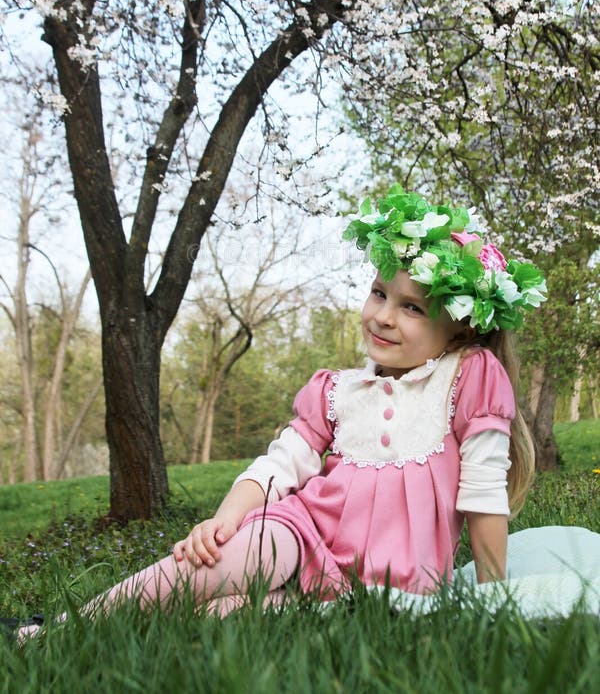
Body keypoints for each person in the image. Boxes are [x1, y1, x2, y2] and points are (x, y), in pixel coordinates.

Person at [17, 185, 551, 635]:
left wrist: (491, 597)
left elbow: (483, 493)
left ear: (459, 323)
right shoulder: (337, 389)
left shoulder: (469, 377)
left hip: (385, 583)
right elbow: (280, 463)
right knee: (232, 553)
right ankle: (66, 628)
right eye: (378, 293)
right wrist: (225, 518)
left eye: (411, 307)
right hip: (302, 530)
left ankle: (118, 631)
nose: (383, 317)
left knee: (224, 617)